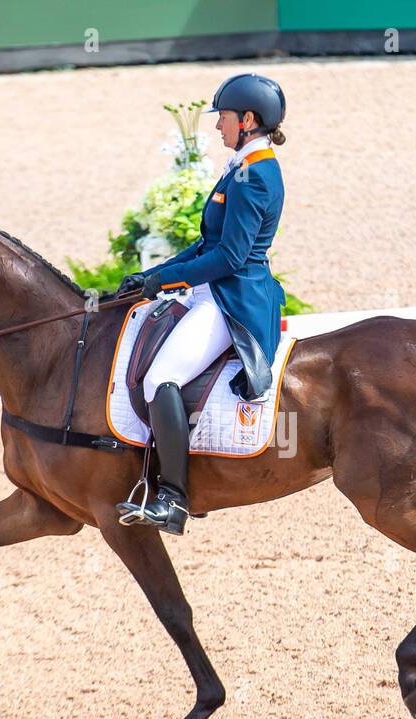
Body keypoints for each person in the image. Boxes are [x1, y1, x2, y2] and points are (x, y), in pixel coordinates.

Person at [116, 73, 288, 535]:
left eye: (225, 118)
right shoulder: (241, 167)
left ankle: (173, 498)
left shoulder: (254, 176)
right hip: (213, 288)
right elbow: (206, 243)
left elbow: (229, 257)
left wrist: (165, 280)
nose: (217, 127)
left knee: (161, 377)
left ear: (248, 120)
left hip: (232, 298)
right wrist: (153, 277)